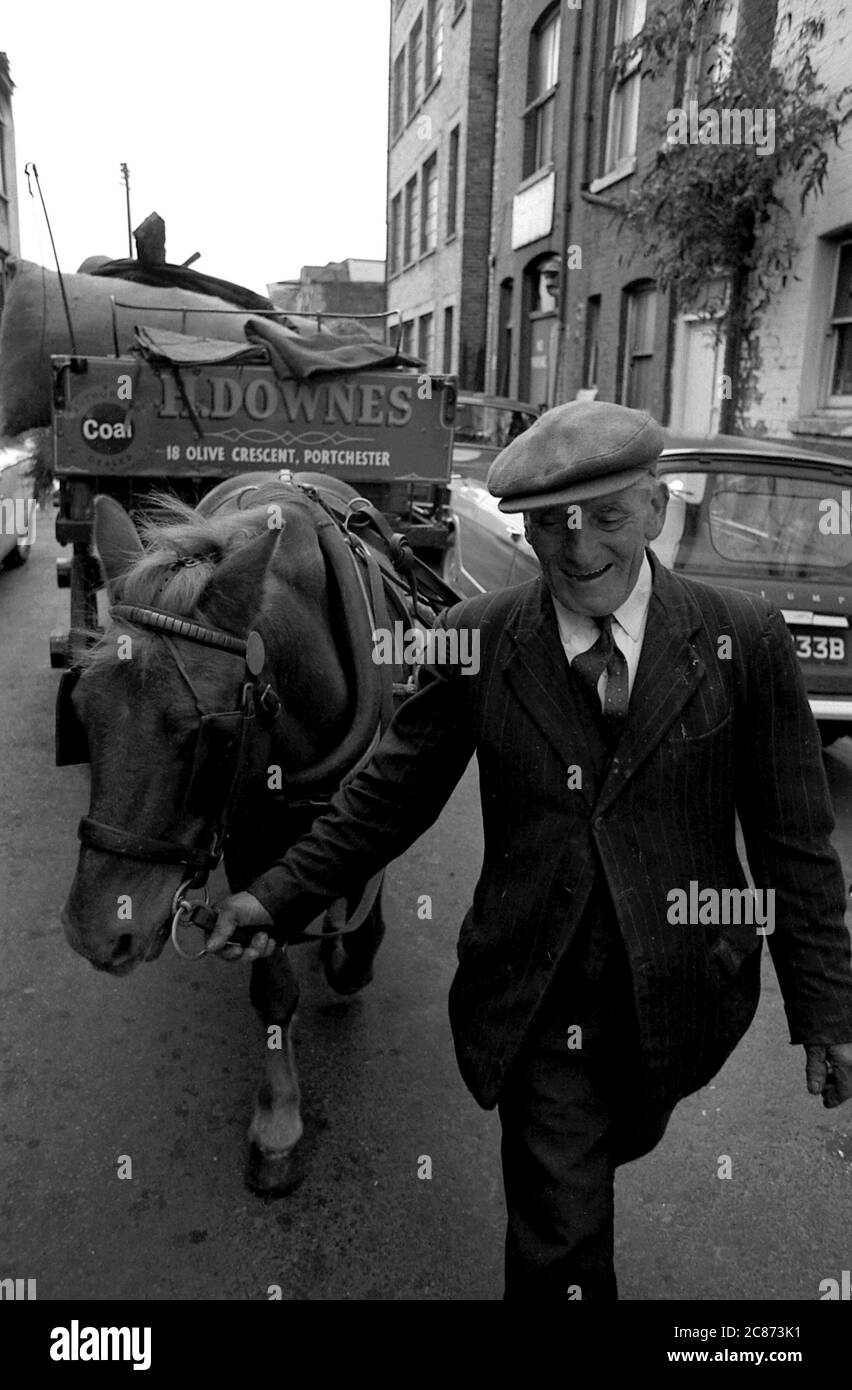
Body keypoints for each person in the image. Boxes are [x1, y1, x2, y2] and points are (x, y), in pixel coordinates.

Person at [205, 399, 852, 1300]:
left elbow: (795, 845)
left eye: (608, 516)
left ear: (659, 509)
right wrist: (271, 898)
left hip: (686, 989)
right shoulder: (478, 640)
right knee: (560, 1231)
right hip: (539, 994)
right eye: (552, 524)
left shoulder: (745, 638)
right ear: (527, 529)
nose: (580, 548)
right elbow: (388, 798)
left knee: (619, 1139)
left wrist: (827, 1012)